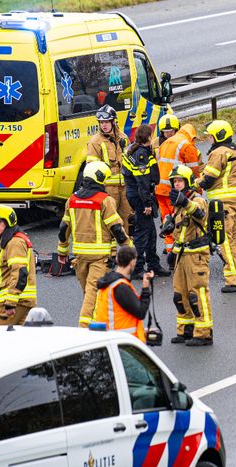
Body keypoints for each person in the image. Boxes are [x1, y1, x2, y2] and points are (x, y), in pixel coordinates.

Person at [57, 160, 130, 327]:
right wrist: (129, 249)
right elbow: (116, 229)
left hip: (80, 257)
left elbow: (63, 229)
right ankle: (86, 330)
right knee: (94, 296)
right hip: (100, 258)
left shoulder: (72, 200)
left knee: (88, 295)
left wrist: (62, 252)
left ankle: (95, 325)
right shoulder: (105, 200)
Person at [162, 165, 217, 346]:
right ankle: (185, 330)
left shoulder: (197, 200)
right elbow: (180, 231)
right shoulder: (177, 204)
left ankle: (203, 333)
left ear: (188, 182)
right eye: (174, 181)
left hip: (196, 255)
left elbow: (199, 214)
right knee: (180, 295)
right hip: (181, 254)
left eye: (180, 181)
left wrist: (185, 202)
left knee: (197, 295)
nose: (177, 184)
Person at [199, 120, 236, 293]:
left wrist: (193, 182)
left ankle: (232, 280)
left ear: (218, 136)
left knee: (223, 240)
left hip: (221, 204)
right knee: (234, 240)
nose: (209, 139)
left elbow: (208, 179)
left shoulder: (218, 152)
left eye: (211, 136)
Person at [124, 124, 166, 277]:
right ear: (148, 137)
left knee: (151, 232)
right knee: (142, 234)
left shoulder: (136, 149)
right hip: (140, 197)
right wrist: (147, 204)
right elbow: (142, 182)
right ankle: (137, 268)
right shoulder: (140, 154)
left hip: (139, 194)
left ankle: (153, 264)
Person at [156, 117, 201, 255]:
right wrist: (198, 190)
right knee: (176, 219)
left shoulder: (165, 143)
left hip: (159, 189)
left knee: (166, 219)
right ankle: (176, 251)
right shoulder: (187, 145)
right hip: (173, 190)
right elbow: (194, 171)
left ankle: (169, 248)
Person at [85, 104, 133, 230]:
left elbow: (130, 161)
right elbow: (92, 168)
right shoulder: (95, 142)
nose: (104, 125)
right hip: (108, 189)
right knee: (109, 222)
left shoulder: (123, 137)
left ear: (113, 122)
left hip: (125, 188)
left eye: (106, 122)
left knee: (128, 220)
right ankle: (111, 244)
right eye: (101, 122)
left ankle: (127, 243)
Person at [0, 205, 36, 326]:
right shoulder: (11, 241)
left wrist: (10, 302)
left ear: (9, 221)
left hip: (13, 301)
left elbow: (19, 272)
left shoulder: (14, 242)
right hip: (22, 301)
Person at [93, 245, 153, 342]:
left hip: (111, 337)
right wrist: (145, 288)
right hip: (122, 342)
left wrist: (142, 331)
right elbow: (140, 312)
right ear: (132, 262)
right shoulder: (120, 287)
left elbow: (120, 315)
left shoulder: (108, 282)